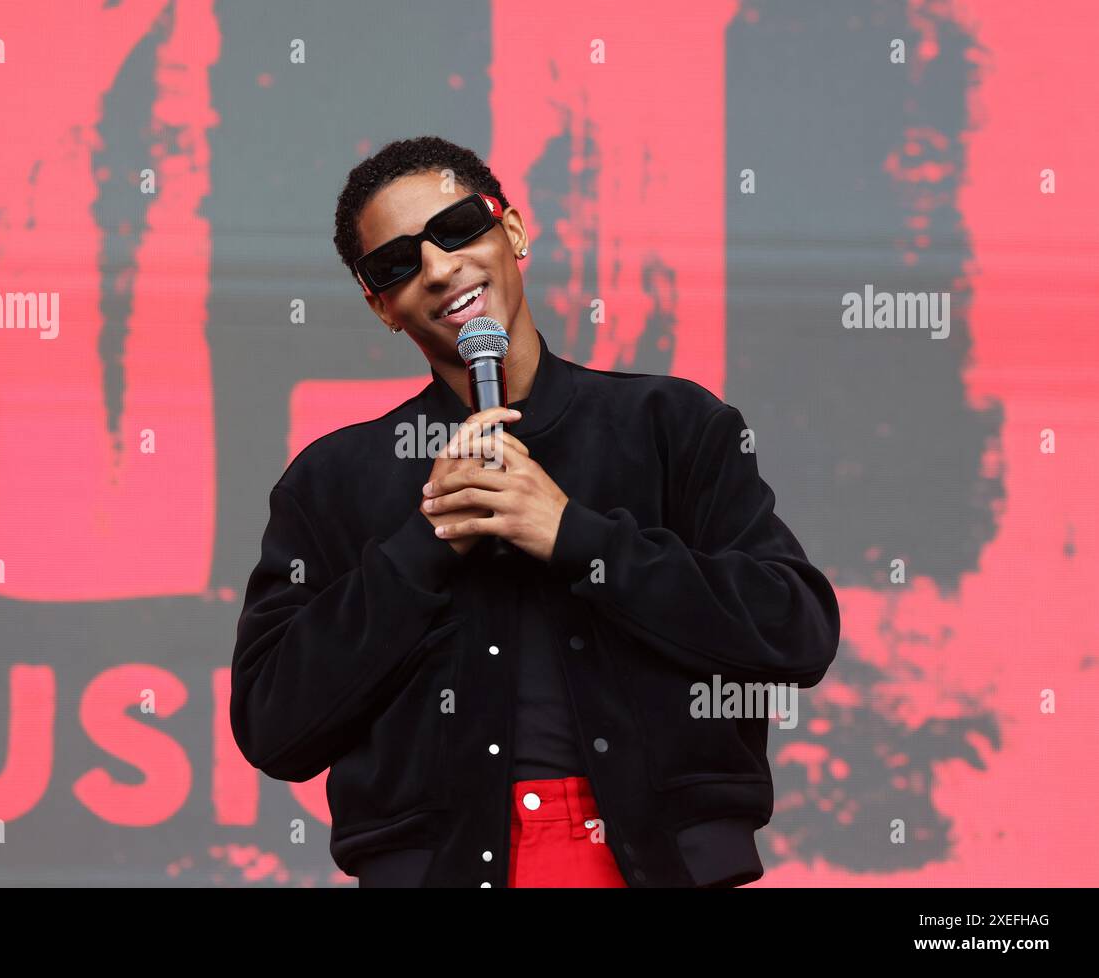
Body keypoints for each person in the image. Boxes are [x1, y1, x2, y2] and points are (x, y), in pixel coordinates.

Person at [231, 136, 840, 887]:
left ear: (513, 232)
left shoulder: (672, 425)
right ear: (381, 305)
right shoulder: (331, 481)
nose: (438, 268)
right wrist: (425, 542)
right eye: (396, 264)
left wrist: (574, 535)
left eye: (456, 228)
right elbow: (273, 725)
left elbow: (795, 632)